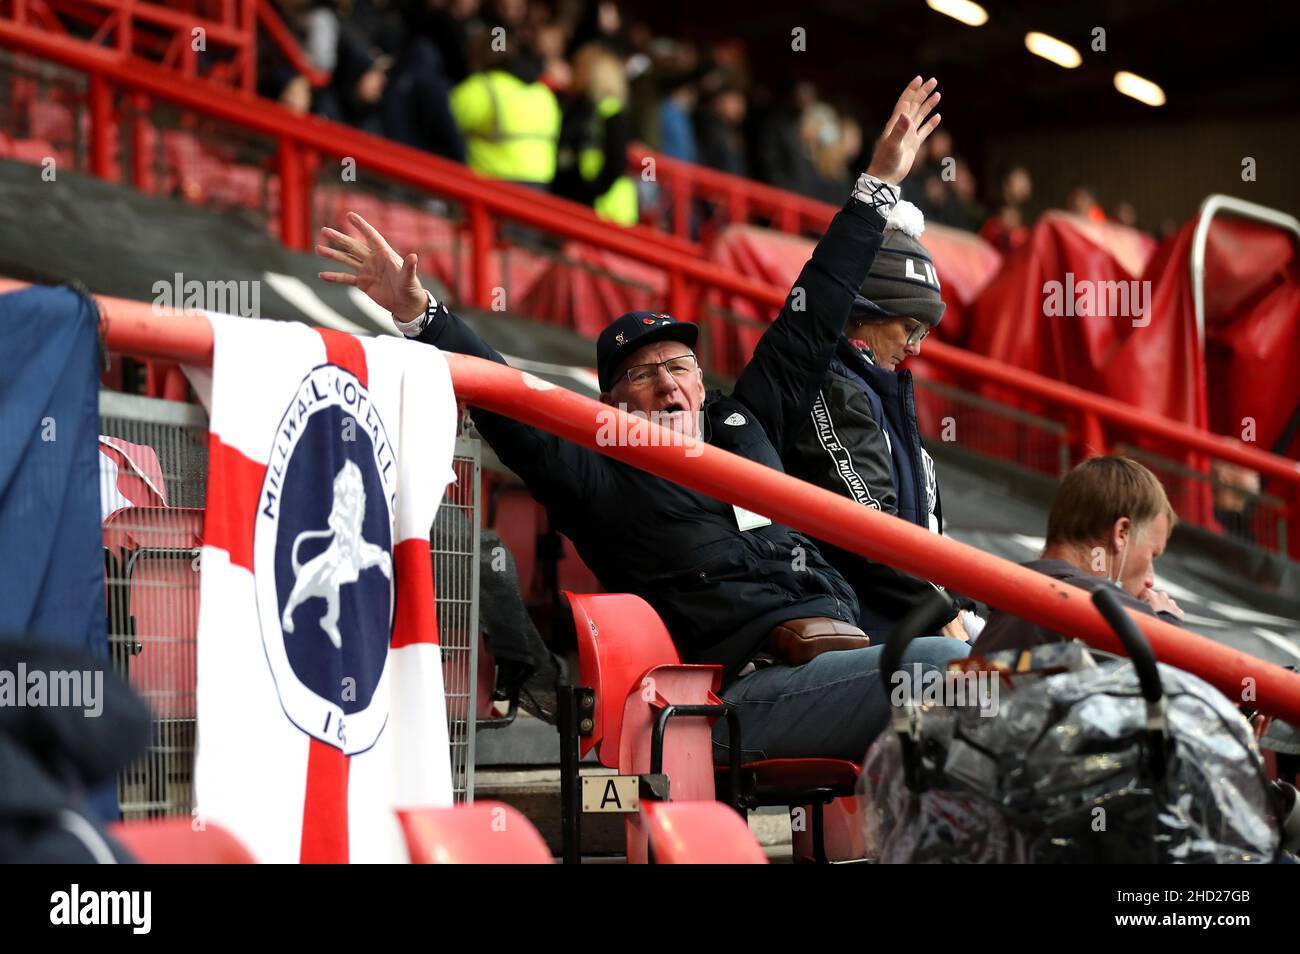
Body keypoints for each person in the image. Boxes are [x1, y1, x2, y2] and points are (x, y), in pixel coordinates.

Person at [318, 77, 970, 763]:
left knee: (995, 674)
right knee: (952, 674)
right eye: (643, 372)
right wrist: (424, 316)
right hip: (732, 702)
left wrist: (876, 185)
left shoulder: (746, 422)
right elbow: (511, 402)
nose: (667, 381)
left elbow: (812, 316)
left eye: (680, 365)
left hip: (839, 657)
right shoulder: (601, 472)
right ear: (614, 404)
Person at [784, 198, 975, 643]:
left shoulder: (878, 395)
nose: (917, 348)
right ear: (865, 315)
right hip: (864, 634)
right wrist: (942, 612)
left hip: (899, 628)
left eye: (923, 332)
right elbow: (870, 533)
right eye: (911, 328)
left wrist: (963, 607)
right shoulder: (833, 389)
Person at [974, 455, 1184, 653]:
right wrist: (1166, 622)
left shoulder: (1006, 599)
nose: (1151, 580)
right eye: (1152, 555)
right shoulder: (1097, 601)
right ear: (1121, 533)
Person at [552, 44, 638, 225]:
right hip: (588, 201)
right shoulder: (581, 107)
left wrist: (593, 190)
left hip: (604, 207)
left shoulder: (609, 112)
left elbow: (616, 161)